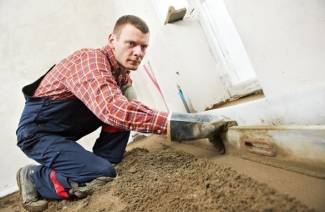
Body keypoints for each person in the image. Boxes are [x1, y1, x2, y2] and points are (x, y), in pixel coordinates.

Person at [16, 15, 236, 211]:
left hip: (65, 128)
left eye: (143, 47)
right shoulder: (90, 61)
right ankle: (35, 177)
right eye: (131, 44)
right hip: (38, 135)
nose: (138, 53)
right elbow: (115, 110)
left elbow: (132, 108)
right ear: (112, 40)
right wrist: (189, 125)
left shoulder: (120, 74)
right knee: (100, 173)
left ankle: (100, 160)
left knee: (121, 127)